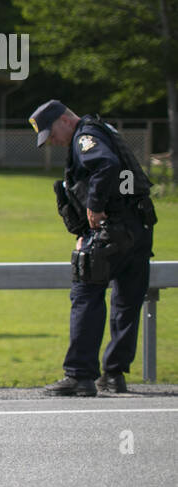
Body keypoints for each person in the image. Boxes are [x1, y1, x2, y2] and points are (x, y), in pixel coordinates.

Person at [29, 100, 157, 396]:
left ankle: (80, 375)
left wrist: (95, 208)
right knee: (126, 300)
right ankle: (114, 374)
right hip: (138, 227)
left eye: (52, 134)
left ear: (64, 120)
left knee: (86, 293)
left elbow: (105, 165)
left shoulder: (86, 136)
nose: (53, 142)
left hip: (112, 229)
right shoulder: (104, 130)